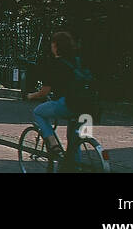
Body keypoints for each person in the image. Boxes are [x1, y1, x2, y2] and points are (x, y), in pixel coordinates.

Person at [24, 30, 92, 170]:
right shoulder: (78, 60)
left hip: (68, 104)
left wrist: (31, 96)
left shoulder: (56, 64)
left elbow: (44, 92)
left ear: (55, 45)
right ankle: (74, 167)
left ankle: (54, 145)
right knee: (74, 140)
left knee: (38, 112)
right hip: (88, 105)